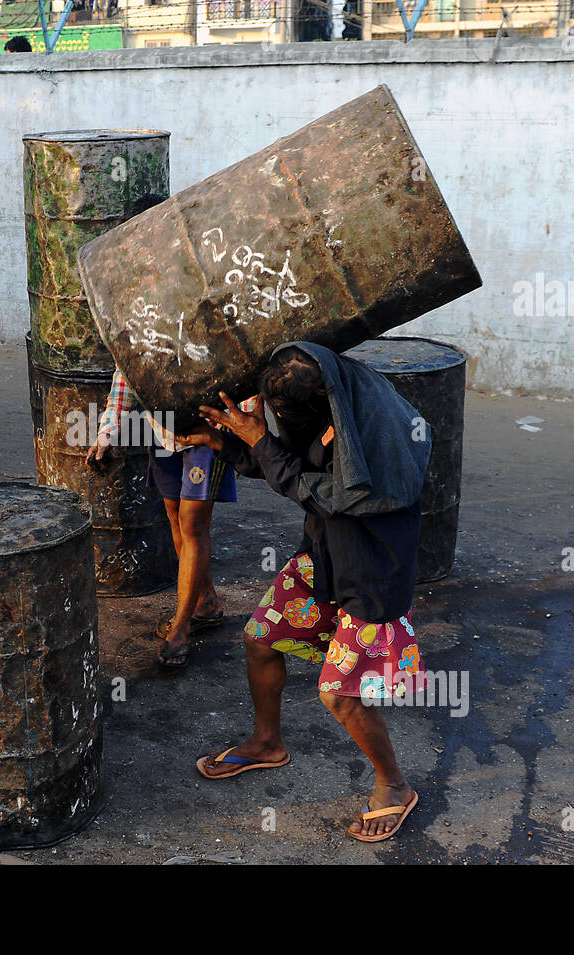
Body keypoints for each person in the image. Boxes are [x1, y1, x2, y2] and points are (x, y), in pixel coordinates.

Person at [178, 342, 430, 843]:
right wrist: (227, 444)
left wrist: (258, 440)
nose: (285, 419)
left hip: (370, 577)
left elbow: (322, 489)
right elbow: (292, 466)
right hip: (322, 557)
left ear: (323, 397)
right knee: (260, 640)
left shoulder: (378, 435)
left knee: (339, 694)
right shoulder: (327, 405)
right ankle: (268, 742)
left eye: (292, 411)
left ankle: (394, 785)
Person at [86, 367, 236, 670]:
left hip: (208, 431)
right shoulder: (144, 320)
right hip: (163, 430)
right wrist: (106, 434)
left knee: (193, 525)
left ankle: (181, 627)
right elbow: (127, 371)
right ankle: (206, 602)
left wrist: (243, 429)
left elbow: (240, 362)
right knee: (176, 519)